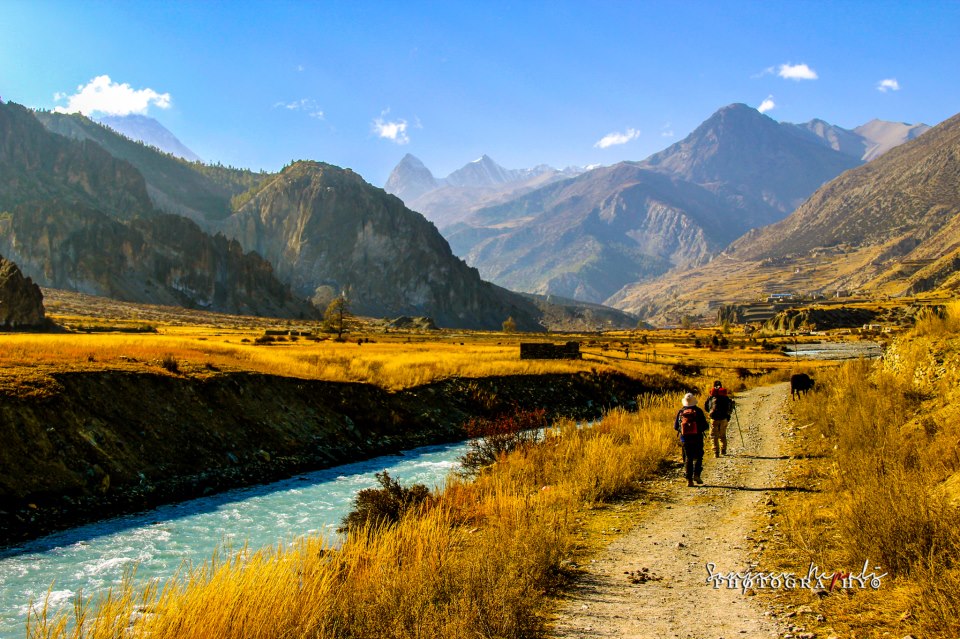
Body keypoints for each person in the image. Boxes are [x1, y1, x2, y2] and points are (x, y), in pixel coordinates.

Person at [674, 392, 709, 487]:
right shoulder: (698, 411)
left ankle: (689, 480)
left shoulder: (681, 412)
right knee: (699, 456)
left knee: (688, 458)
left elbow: (676, 426)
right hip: (697, 438)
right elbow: (705, 426)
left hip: (685, 439)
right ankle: (697, 475)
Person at [704, 380, 735, 457]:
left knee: (713, 435)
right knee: (722, 435)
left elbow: (706, 407)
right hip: (724, 418)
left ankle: (716, 452)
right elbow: (730, 407)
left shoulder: (711, 397)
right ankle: (723, 449)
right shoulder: (725, 397)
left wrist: (710, 412)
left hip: (714, 418)